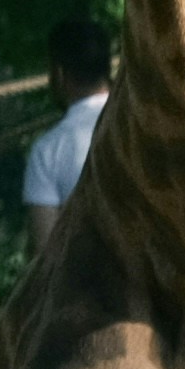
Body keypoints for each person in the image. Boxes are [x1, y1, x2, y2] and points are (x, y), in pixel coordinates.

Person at [17, 13, 113, 255]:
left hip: (85, 289)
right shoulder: (145, 132)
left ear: (58, 74)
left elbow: (44, 252)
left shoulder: (48, 151)